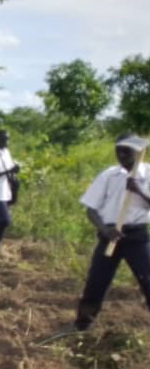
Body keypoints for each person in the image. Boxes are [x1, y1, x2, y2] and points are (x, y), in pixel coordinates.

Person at [74, 134, 150, 331]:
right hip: (109, 236)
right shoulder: (108, 175)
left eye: (127, 151)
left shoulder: (148, 173)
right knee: (96, 281)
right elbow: (90, 209)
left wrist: (139, 191)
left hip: (137, 237)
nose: (122, 155)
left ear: (137, 152)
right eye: (119, 151)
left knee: (148, 279)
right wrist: (105, 230)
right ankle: (84, 323)